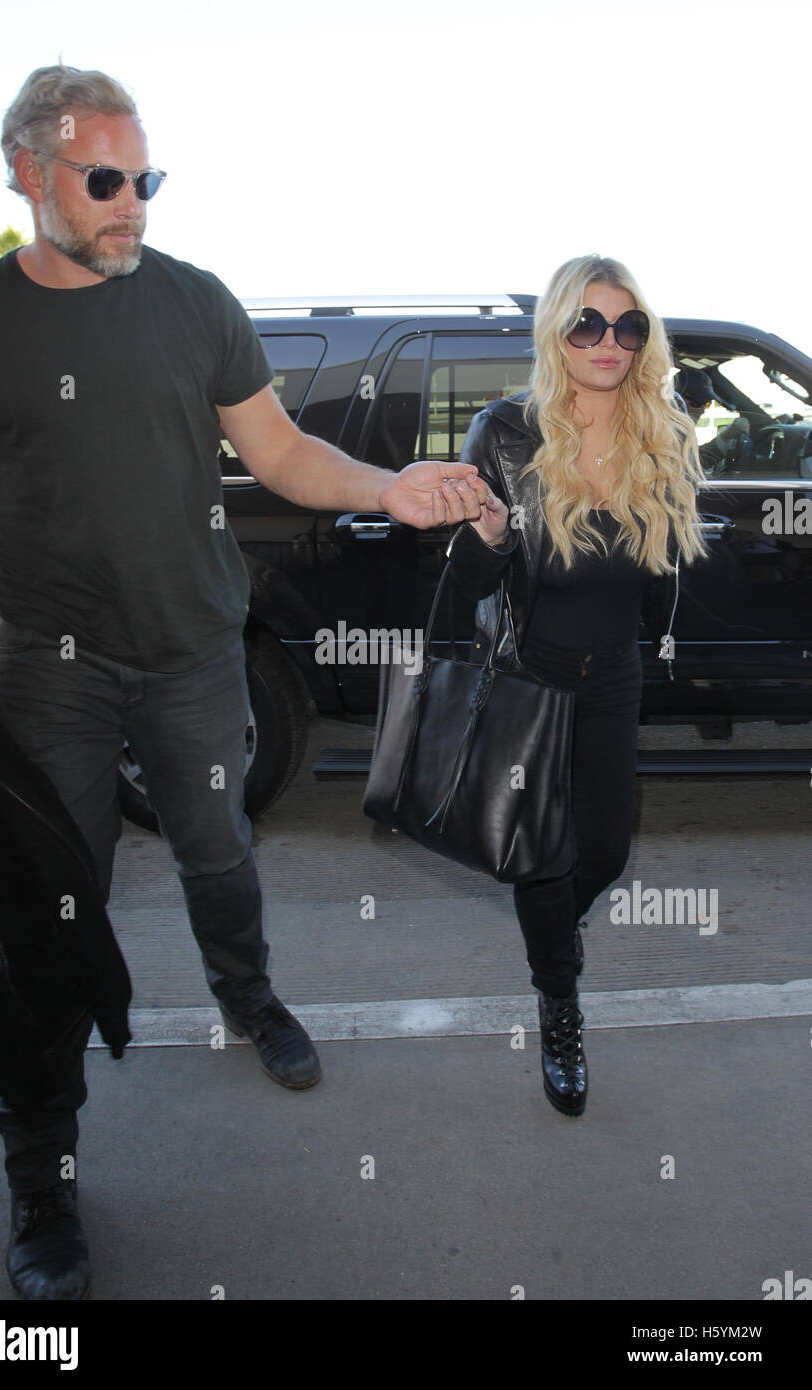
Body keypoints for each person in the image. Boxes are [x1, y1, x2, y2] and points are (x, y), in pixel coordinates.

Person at [0, 65, 481, 1300]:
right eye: (106, 181)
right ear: (28, 174)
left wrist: (390, 485)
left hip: (192, 653)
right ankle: (42, 1171)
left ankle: (249, 994)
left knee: (219, 851)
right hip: (48, 670)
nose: (135, 205)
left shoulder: (196, 304)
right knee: (49, 906)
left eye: (148, 179)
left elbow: (281, 450)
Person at [444, 254, 708, 1117]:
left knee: (605, 853)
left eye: (627, 326)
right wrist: (486, 536)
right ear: (557, 330)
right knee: (544, 854)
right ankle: (559, 1002)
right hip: (532, 678)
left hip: (613, 678)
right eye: (588, 323)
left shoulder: (659, 434)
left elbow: (659, 575)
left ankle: (554, 934)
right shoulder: (506, 433)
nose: (609, 342)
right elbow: (462, 597)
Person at [674, 366, 750, 477]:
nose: (703, 410)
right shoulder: (665, 430)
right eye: (698, 403)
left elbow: (692, 458)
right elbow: (692, 466)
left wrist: (725, 437)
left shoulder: (681, 428)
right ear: (678, 399)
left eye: (708, 404)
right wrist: (724, 438)